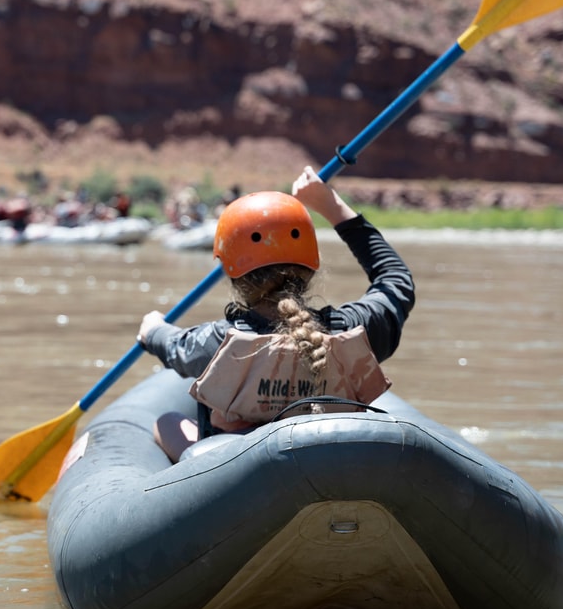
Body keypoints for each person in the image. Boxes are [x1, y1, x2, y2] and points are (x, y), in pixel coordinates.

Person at [136, 165, 415, 462]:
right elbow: (395, 280)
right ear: (311, 265)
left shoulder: (217, 342)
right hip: (334, 463)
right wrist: (332, 207)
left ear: (232, 272)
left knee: (166, 423)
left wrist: (152, 330)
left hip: (240, 477)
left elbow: (172, 345)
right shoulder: (354, 331)